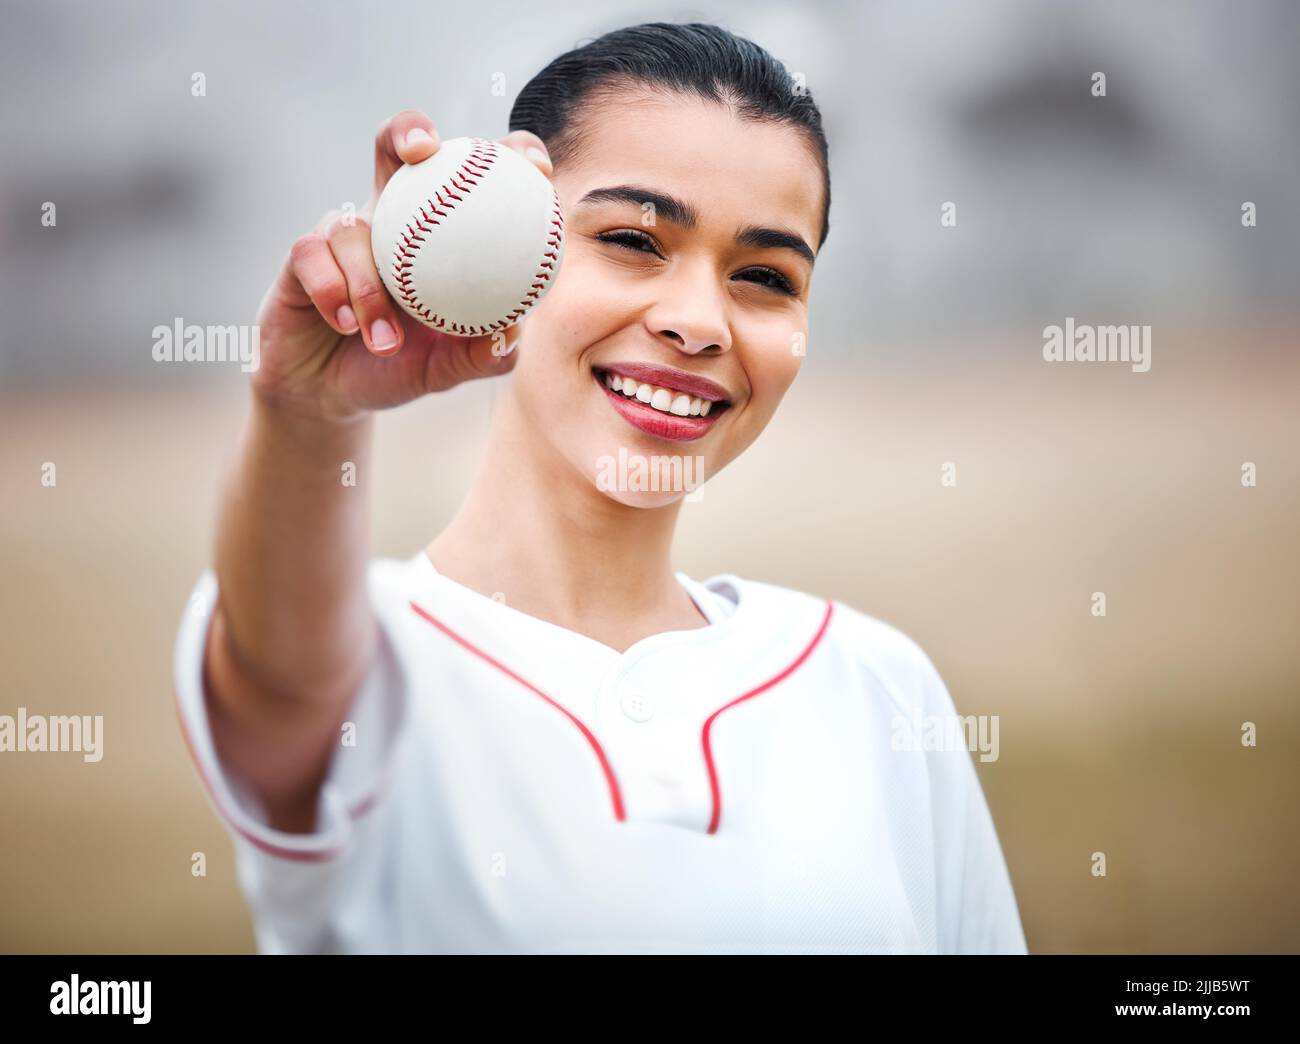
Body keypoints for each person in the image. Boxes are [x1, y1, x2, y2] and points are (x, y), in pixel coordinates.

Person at [173, 20, 1028, 954]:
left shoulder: (879, 687)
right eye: (631, 238)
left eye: (764, 276)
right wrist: (308, 413)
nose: (700, 321)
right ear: (512, 248)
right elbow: (277, 683)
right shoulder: (369, 664)